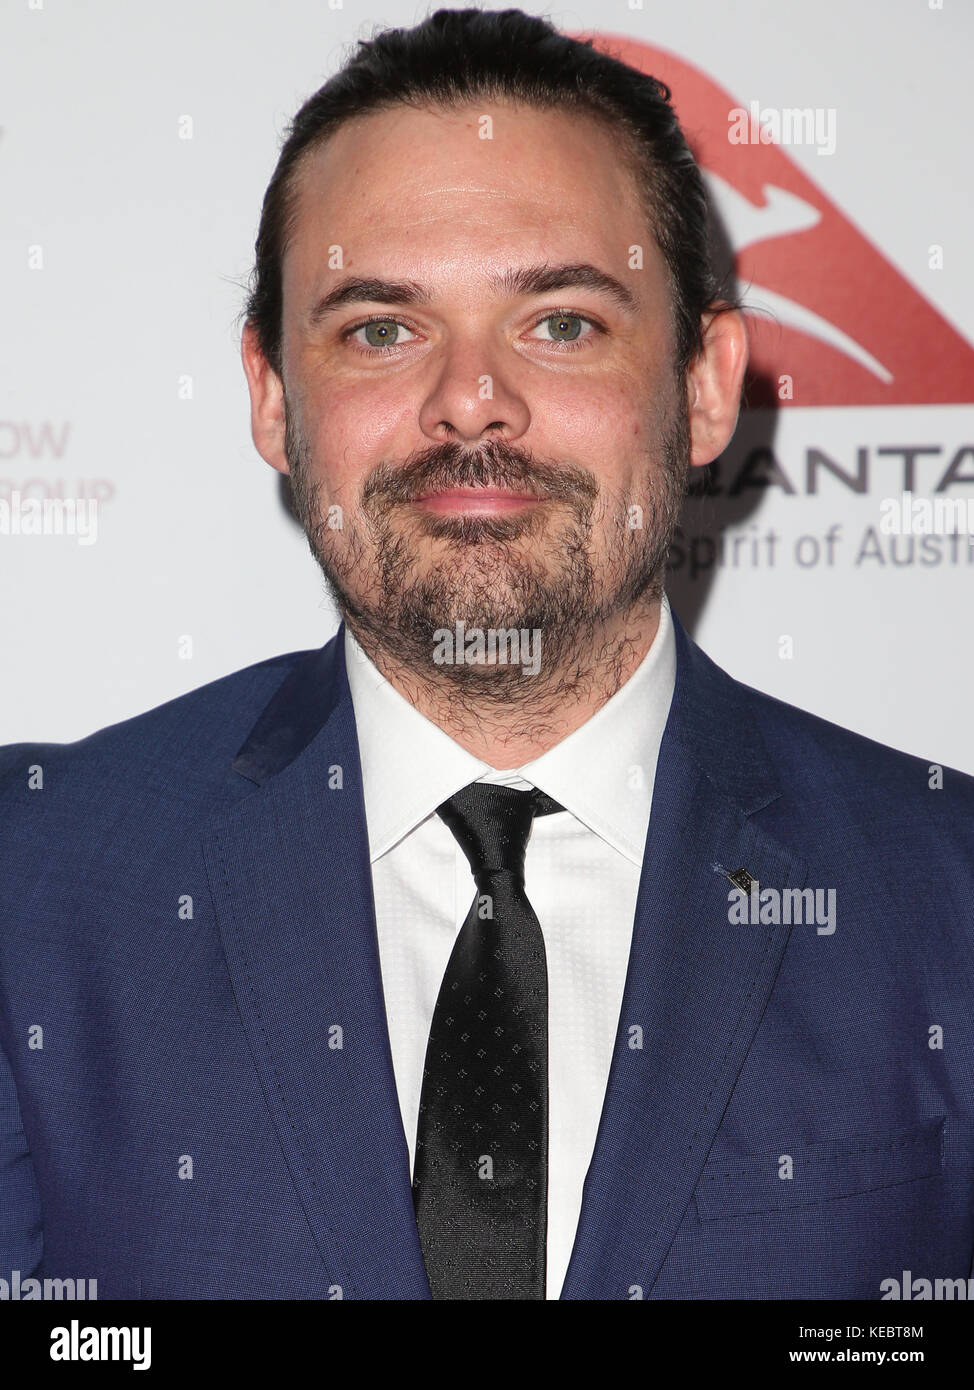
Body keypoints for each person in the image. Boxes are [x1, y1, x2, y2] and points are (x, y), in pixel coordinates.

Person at [1, 8, 972, 1302]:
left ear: (700, 386)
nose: (469, 400)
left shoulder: (940, 894)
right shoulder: (39, 887)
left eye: (560, 322)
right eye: (380, 329)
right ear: (271, 397)